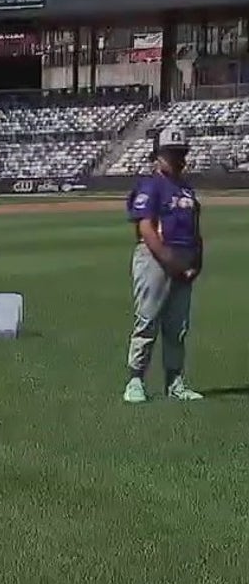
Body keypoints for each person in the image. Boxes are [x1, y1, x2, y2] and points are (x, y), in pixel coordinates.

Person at [123, 126, 204, 403]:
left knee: (177, 326)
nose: (177, 159)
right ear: (157, 156)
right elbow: (145, 227)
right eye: (171, 154)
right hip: (155, 258)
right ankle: (135, 379)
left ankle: (174, 381)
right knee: (147, 319)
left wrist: (197, 263)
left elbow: (195, 228)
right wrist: (167, 260)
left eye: (180, 153)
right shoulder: (151, 186)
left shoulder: (187, 189)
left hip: (184, 260)